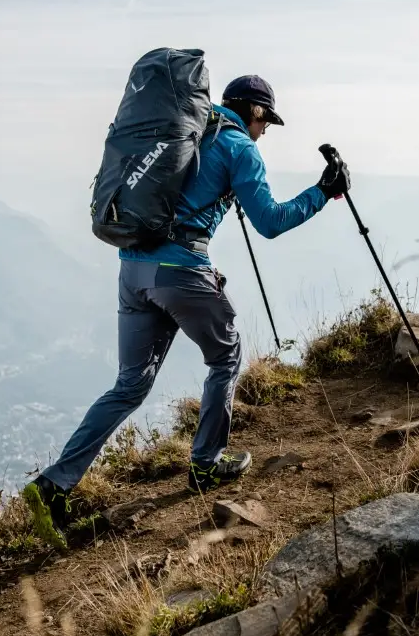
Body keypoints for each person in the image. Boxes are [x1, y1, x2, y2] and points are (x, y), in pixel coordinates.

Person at [23, 74, 351, 550]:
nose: (266, 131)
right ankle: (205, 465)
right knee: (225, 357)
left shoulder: (190, 132)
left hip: (133, 270)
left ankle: (52, 486)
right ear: (255, 113)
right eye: (267, 122)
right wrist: (323, 192)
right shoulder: (240, 147)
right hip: (179, 270)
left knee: (129, 385)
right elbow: (272, 223)